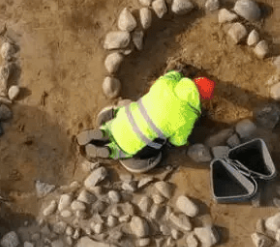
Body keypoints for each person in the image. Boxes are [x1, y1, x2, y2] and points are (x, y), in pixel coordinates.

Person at [80, 69, 214, 173]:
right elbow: (178, 140)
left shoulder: (167, 84)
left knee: (121, 121)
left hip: (124, 119)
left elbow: (170, 75)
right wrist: (174, 143)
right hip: (134, 142)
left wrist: (177, 73)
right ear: (201, 99)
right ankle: (111, 151)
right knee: (144, 147)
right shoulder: (189, 115)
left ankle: (105, 132)